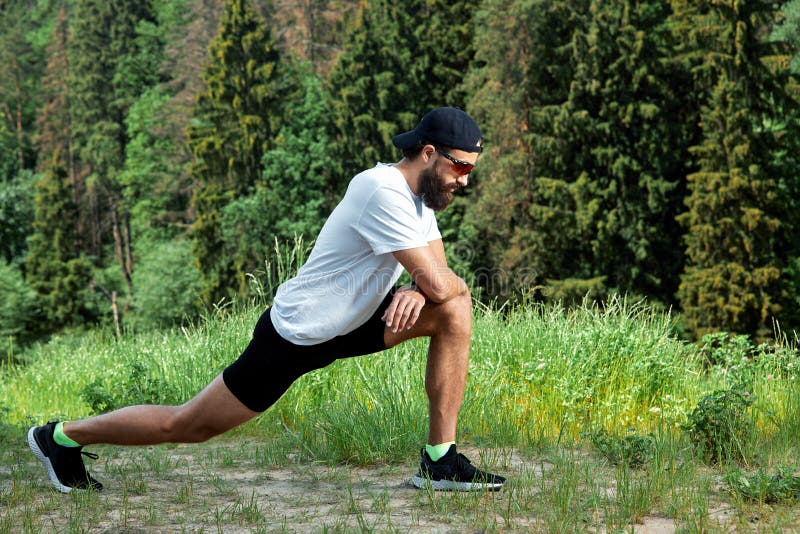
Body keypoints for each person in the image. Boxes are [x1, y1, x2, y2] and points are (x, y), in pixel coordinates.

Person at [27, 106, 507, 493]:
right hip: (298, 334)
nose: (464, 180)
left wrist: (424, 289)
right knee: (188, 425)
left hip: (358, 320)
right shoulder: (380, 190)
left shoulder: (422, 198)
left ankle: (439, 461)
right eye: (461, 167)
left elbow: (440, 281)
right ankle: (62, 436)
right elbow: (443, 281)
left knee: (452, 313)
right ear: (429, 153)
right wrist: (431, 287)